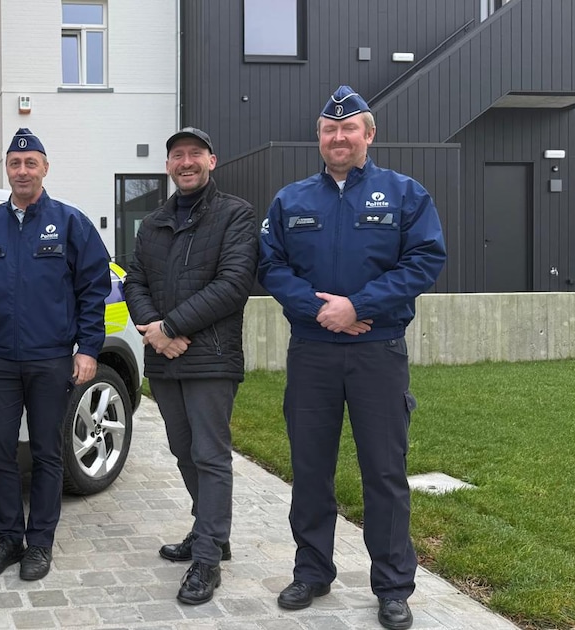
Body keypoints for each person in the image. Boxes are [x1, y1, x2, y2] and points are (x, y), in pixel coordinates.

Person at [258, 86, 446, 630]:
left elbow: (424, 261)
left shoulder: (405, 194)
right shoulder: (291, 200)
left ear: (369, 133)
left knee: (384, 473)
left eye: (348, 128)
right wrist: (323, 312)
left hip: (376, 352)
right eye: (328, 129)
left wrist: (358, 306)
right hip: (314, 352)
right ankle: (312, 570)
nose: (338, 137)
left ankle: (391, 586)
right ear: (319, 138)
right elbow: (271, 266)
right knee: (310, 468)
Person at [0, 128, 111, 581]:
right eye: (15, 163)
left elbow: (94, 290)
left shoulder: (71, 223)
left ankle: (41, 544)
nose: (23, 170)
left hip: (52, 358)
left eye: (31, 163)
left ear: (45, 168)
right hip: (1, 361)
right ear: (7, 169)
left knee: (48, 453)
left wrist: (87, 349)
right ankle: (9, 538)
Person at [123, 127, 258, 605]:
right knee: (183, 450)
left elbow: (234, 282)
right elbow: (133, 282)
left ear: (211, 160)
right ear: (168, 166)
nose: (186, 162)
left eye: (194, 154)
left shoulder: (234, 215)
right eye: (177, 155)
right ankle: (210, 534)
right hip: (165, 359)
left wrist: (171, 327)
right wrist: (154, 328)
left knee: (210, 455)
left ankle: (207, 559)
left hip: (211, 359)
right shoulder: (154, 222)